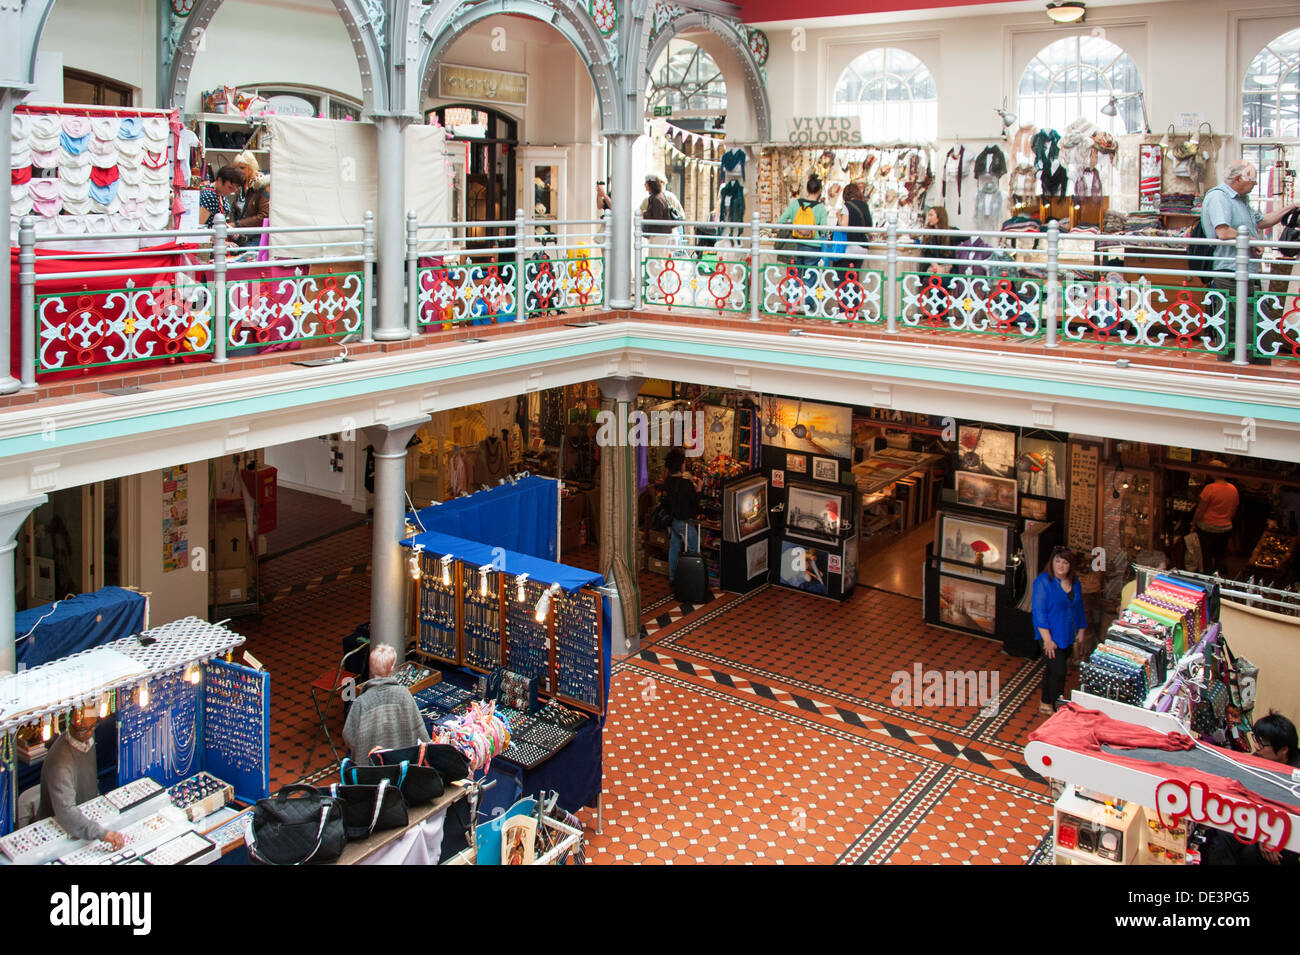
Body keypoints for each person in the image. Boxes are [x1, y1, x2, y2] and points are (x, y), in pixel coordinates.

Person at [1201, 160, 1298, 364]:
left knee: (1258, 325)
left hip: (1249, 270)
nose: (1254, 185)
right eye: (1251, 181)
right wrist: (1252, 241)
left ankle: (1256, 368)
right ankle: (1234, 371)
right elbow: (1223, 231)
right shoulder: (1220, 197)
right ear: (1237, 179)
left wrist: (1291, 207)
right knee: (1236, 326)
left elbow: (1261, 221)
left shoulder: (1242, 200)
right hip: (1229, 270)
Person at [1203, 712, 1299, 865]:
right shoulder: (1259, 759)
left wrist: (1271, 836)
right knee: (1220, 836)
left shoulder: (1296, 775)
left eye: (1262, 743)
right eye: (1256, 740)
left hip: (1286, 835)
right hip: (1256, 822)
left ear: (1284, 750)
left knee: (1250, 856)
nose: (1256, 746)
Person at [37, 706, 125, 849]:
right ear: (70, 725)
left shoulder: (88, 739)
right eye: (84, 729)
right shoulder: (61, 763)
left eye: (93, 727)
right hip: (59, 835)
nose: (89, 733)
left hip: (85, 821)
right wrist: (102, 834)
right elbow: (66, 812)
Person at [342, 644, 430, 766]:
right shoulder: (404, 694)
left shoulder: (361, 702)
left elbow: (348, 736)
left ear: (371, 669)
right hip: (402, 769)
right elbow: (421, 732)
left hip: (371, 771)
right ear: (391, 668)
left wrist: (362, 751)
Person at [1032, 546, 1088, 714]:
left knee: (1052, 669)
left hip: (1067, 634)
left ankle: (1045, 702)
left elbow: (1079, 607)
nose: (1061, 566)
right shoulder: (1043, 582)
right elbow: (1039, 612)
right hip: (1049, 634)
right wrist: (1047, 639)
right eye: (1057, 561)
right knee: (1059, 672)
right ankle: (1058, 708)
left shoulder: (1075, 581)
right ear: (1052, 562)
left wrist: (1081, 630)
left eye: (1065, 562)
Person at [662, 447, 702, 584]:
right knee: (693, 548)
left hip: (671, 520)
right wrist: (699, 489)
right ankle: (690, 580)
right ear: (681, 464)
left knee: (674, 548)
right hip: (683, 522)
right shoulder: (686, 484)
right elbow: (695, 506)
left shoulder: (667, 482)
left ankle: (673, 578)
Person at [1192, 462, 1238, 576]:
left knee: (1206, 556)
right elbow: (1233, 510)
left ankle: (1208, 579)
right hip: (1225, 527)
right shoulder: (1233, 489)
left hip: (1207, 527)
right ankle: (1222, 577)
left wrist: (1193, 523)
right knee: (1221, 555)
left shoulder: (1210, 489)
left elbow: (1200, 510)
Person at [777, 175, 828, 266]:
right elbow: (823, 230)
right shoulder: (821, 208)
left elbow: (781, 221)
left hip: (795, 244)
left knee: (794, 276)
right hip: (813, 246)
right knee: (810, 276)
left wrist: (795, 227)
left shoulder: (796, 203)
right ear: (819, 190)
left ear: (807, 189)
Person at [233, 150, 270, 246]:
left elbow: (264, 216)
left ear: (251, 168)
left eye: (242, 168)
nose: (239, 171)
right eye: (237, 168)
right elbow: (235, 212)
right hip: (240, 237)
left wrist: (237, 224)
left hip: (256, 238)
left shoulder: (261, 185)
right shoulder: (240, 187)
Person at [836, 182, 873, 274]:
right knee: (854, 276)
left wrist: (839, 216)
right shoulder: (865, 206)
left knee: (842, 275)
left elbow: (844, 226)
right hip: (862, 247)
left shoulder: (847, 206)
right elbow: (869, 226)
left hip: (850, 246)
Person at [922, 205, 956, 276]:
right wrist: (936, 266)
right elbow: (927, 253)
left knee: (944, 280)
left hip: (949, 266)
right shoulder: (928, 233)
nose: (929, 218)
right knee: (931, 280)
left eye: (931, 215)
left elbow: (969, 238)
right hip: (934, 266)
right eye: (928, 215)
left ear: (939, 216)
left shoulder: (952, 232)